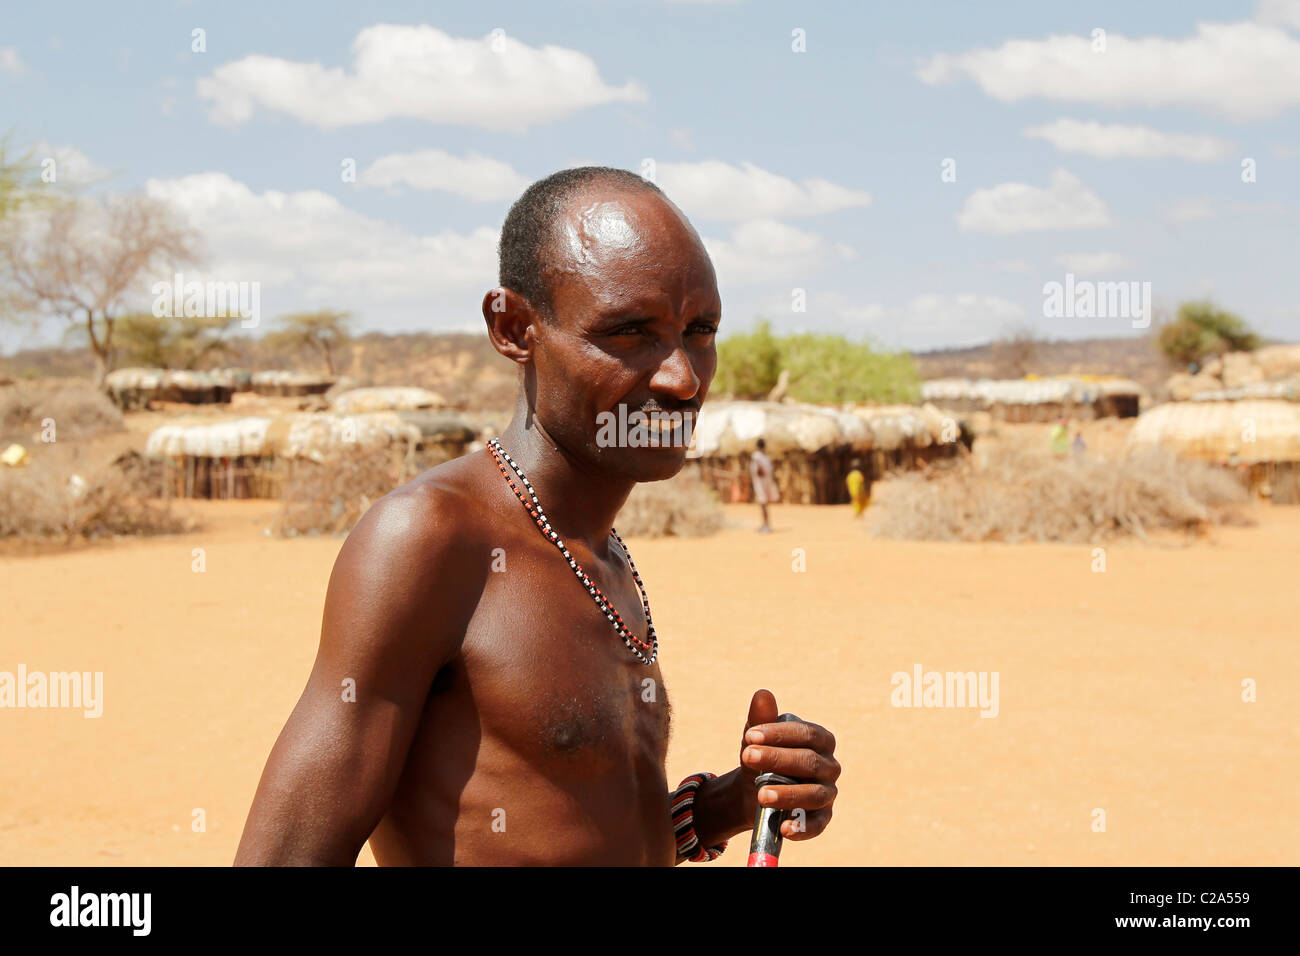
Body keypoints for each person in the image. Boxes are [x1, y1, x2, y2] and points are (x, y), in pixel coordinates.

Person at [233, 167, 840, 866]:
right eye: (630, 332)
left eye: (699, 330)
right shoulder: (429, 541)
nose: (684, 379)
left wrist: (726, 807)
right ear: (515, 327)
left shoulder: (602, 555)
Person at [749, 438, 780, 533]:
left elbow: (759, 469)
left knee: (763, 504)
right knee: (764, 504)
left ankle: (766, 525)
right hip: (767, 482)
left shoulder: (756, 456)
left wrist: (759, 472)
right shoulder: (766, 456)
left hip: (761, 483)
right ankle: (765, 524)